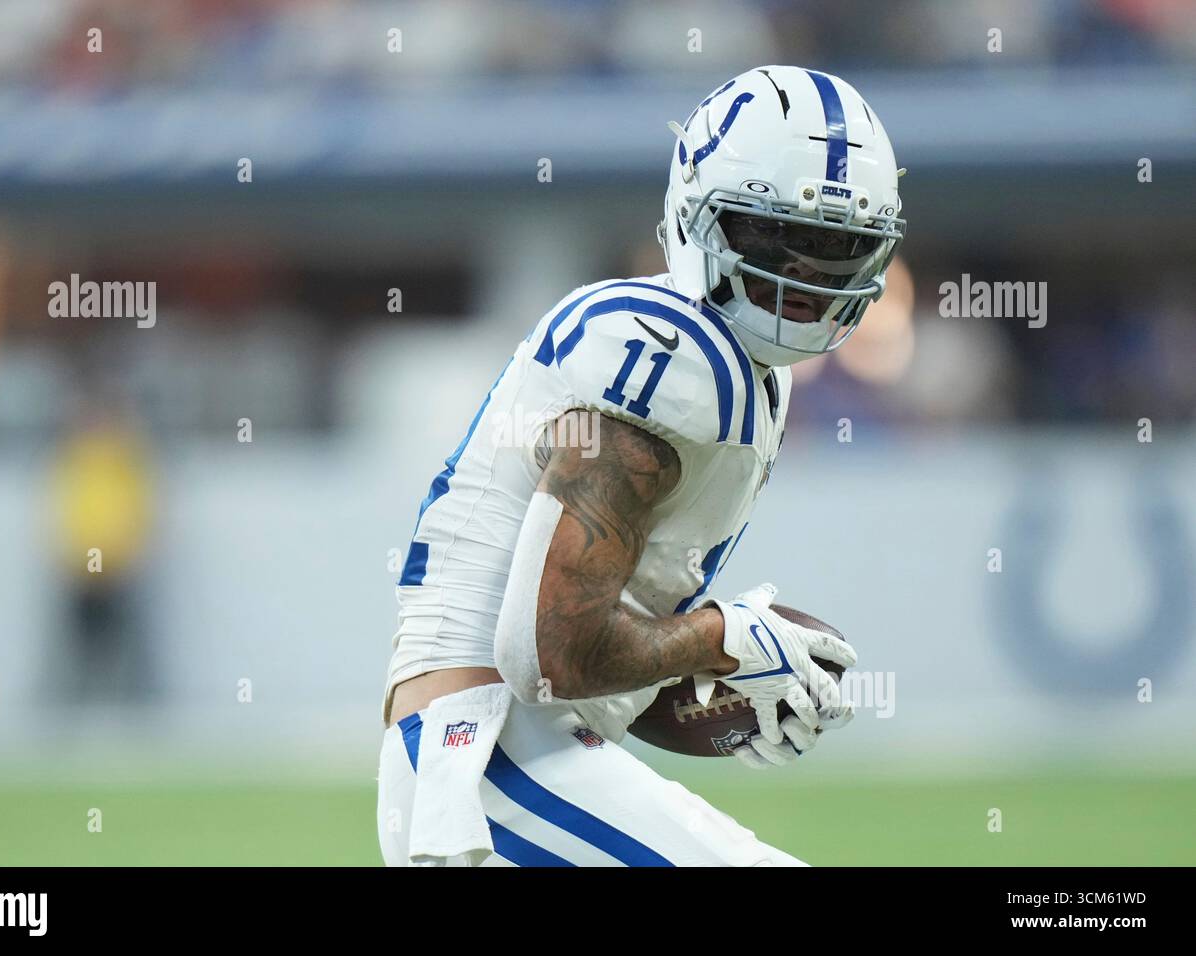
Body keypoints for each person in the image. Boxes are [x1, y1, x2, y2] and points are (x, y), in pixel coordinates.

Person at [377, 66, 906, 866]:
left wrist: (741, 685)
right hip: (486, 763)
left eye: (840, 247)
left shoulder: (746, 370)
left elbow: (596, 671)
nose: (805, 275)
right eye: (776, 236)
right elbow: (550, 653)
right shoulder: (661, 353)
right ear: (697, 213)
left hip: (520, 756)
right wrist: (724, 637)